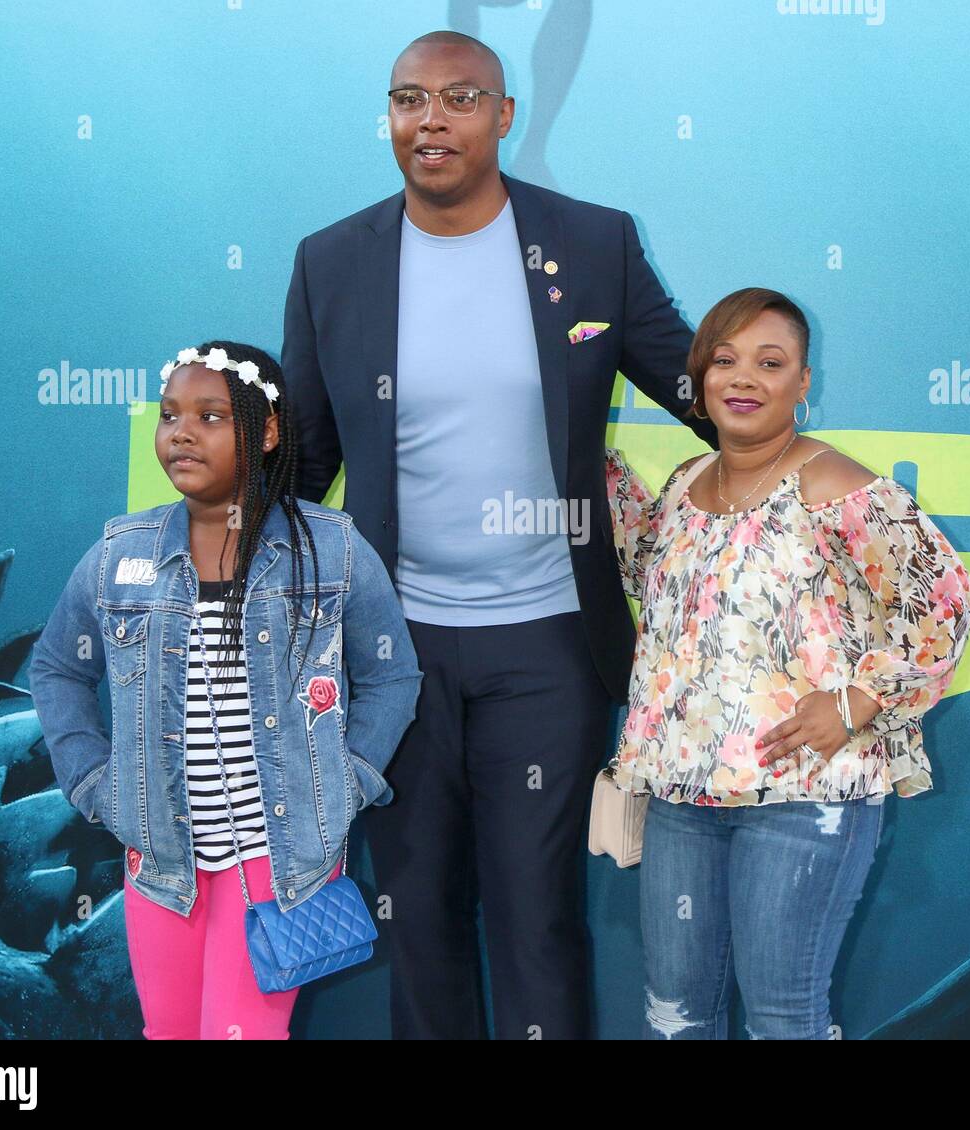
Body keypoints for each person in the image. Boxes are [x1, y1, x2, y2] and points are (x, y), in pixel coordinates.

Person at [281, 30, 717, 1039]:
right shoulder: (331, 262)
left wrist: (797, 467)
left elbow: (701, 396)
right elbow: (304, 467)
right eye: (407, 100)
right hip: (393, 650)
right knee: (419, 914)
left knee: (537, 918)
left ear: (504, 115)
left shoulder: (593, 241)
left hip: (548, 646)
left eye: (459, 98)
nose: (429, 119)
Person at [606, 288, 970, 1039]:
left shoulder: (832, 483)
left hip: (807, 797)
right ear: (702, 377)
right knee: (676, 1015)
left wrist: (857, 702)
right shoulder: (684, 484)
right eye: (725, 360)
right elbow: (643, 564)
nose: (744, 379)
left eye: (770, 363)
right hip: (684, 796)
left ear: (803, 382)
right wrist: (578, 444)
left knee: (782, 1017)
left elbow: (943, 601)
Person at [28, 341, 421, 1039]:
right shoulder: (120, 556)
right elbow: (57, 668)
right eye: (170, 414)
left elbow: (393, 673)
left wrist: (348, 781)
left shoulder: (331, 551)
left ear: (266, 431)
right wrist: (95, 782)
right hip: (162, 869)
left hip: (282, 864)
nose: (181, 432)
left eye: (210, 416)